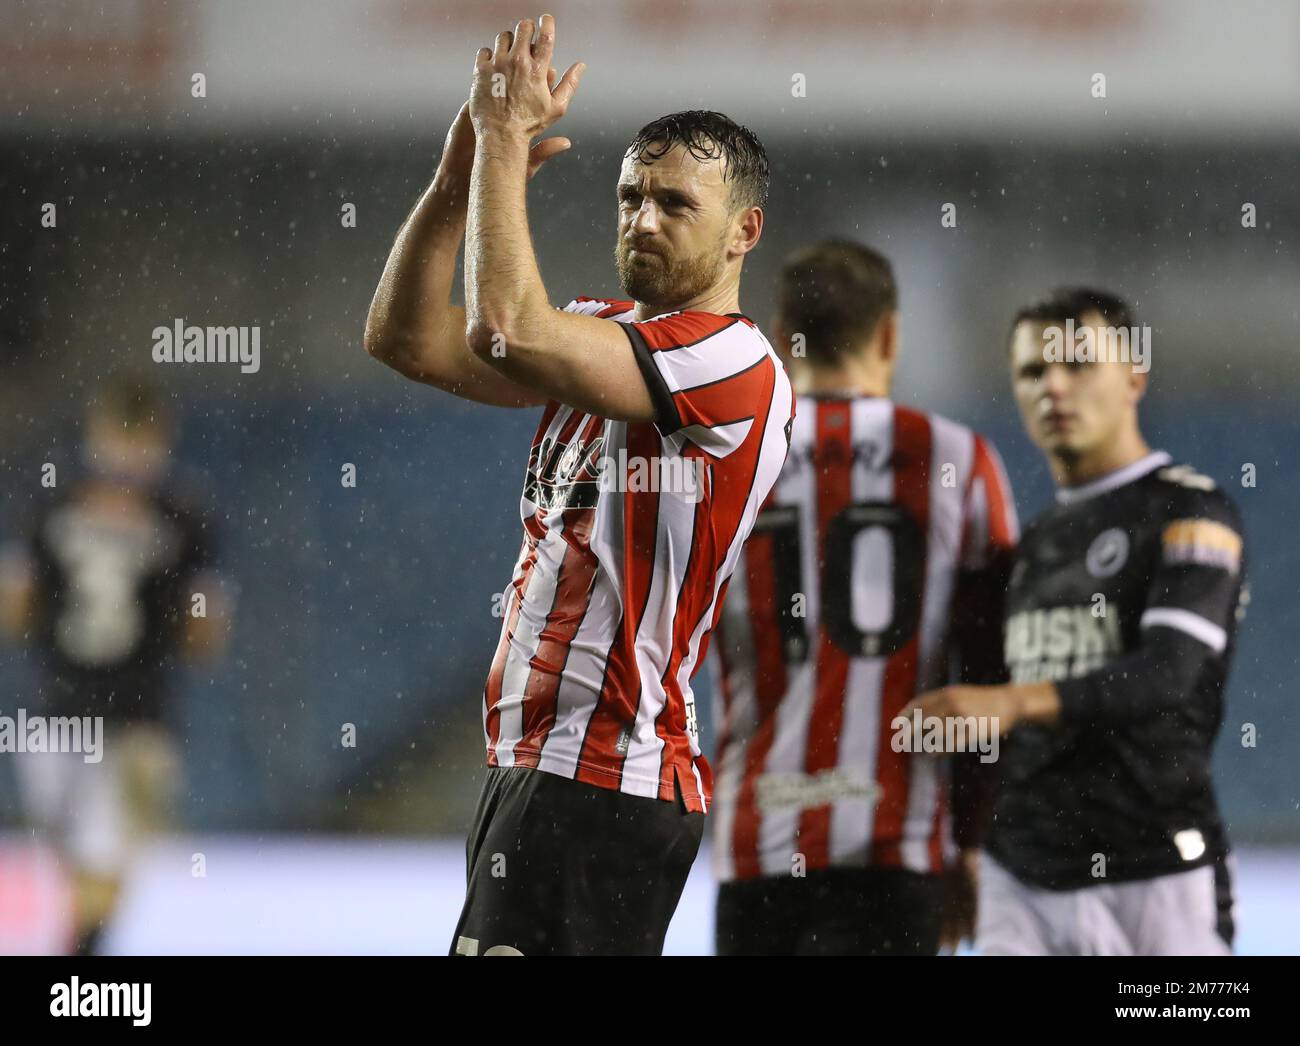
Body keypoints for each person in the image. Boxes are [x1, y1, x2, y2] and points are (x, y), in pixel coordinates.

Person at [365, 16, 793, 955]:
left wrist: (506, 147)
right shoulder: (604, 332)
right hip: (539, 764)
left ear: (742, 233)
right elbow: (403, 338)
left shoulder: (733, 360)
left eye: (676, 203)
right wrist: (453, 183)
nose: (643, 218)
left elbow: (504, 326)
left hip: (604, 770)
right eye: (631, 195)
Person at [908, 288, 1246, 955]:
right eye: (1033, 371)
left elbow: (1169, 671)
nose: (1053, 387)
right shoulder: (1028, 547)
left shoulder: (1193, 512)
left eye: (1078, 364)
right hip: (1021, 878)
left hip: (1159, 871)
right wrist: (968, 846)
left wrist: (1011, 702)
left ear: (1135, 376)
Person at [708, 240, 1018, 954]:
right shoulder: (956, 458)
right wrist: (971, 841)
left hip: (757, 837)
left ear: (783, 338)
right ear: (890, 336)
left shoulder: (727, 457)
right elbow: (991, 664)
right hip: (895, 841)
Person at [0, 376, 228, 955]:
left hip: (60, 706)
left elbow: (17, 608)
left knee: (83, 860)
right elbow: (204, 635)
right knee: (102, 865)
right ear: (161, 436)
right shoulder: (183, 512)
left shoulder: (53, 499)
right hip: (134, 710)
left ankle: (78, 966)